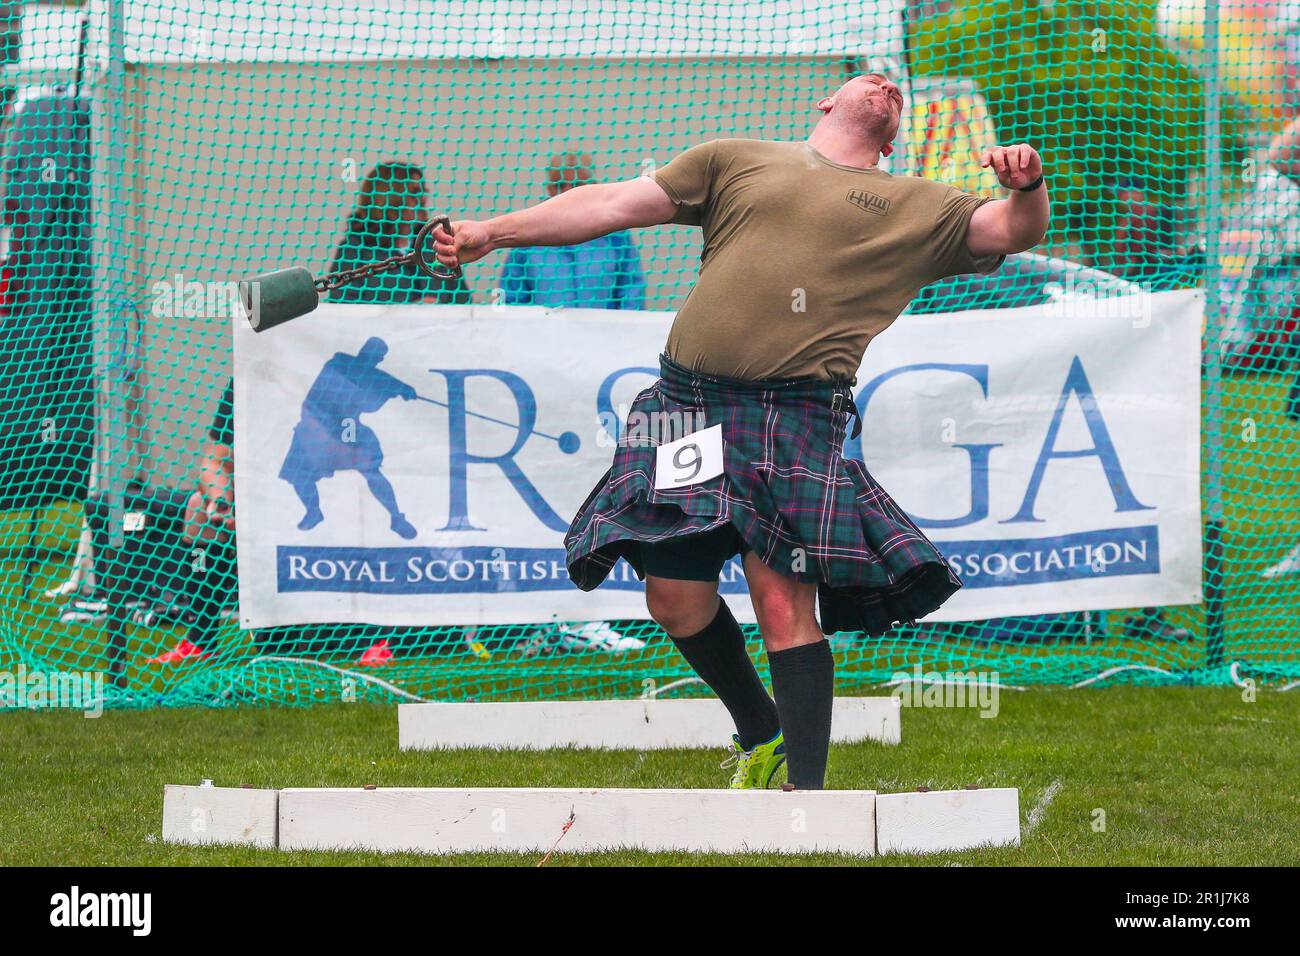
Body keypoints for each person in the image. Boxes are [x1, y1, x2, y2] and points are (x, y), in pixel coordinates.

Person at [433, 73, 1048, 790]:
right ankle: (763, 734)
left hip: (795, 417)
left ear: (895, 133)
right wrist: (489, 233)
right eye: (869, 80)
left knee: (782, 599)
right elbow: (607, 204)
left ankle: (806, 802)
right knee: (673, 597)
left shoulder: (922, 204)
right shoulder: (736, 158)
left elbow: (1011, 230)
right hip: (686, 405)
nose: (884, 85)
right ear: (826, 101)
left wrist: (1026, 187)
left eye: (895, 93)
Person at [498, 152, 646, 309]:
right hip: (544, 332)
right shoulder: (529, 233)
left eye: (577, 185)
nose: (568, 191)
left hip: (603, 331)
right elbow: (512, 296)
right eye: (560, 185)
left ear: (592, 186)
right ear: (550, 189)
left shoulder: (615, 233)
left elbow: (631, 292)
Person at [329, 161, 472, 306]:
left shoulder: (435, 245)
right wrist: (410, 312)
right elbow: (341, 306)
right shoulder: (354, 250)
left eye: (424, 191)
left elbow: (463, 300)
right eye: (415, 192)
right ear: (389, 197)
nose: (423, 199)